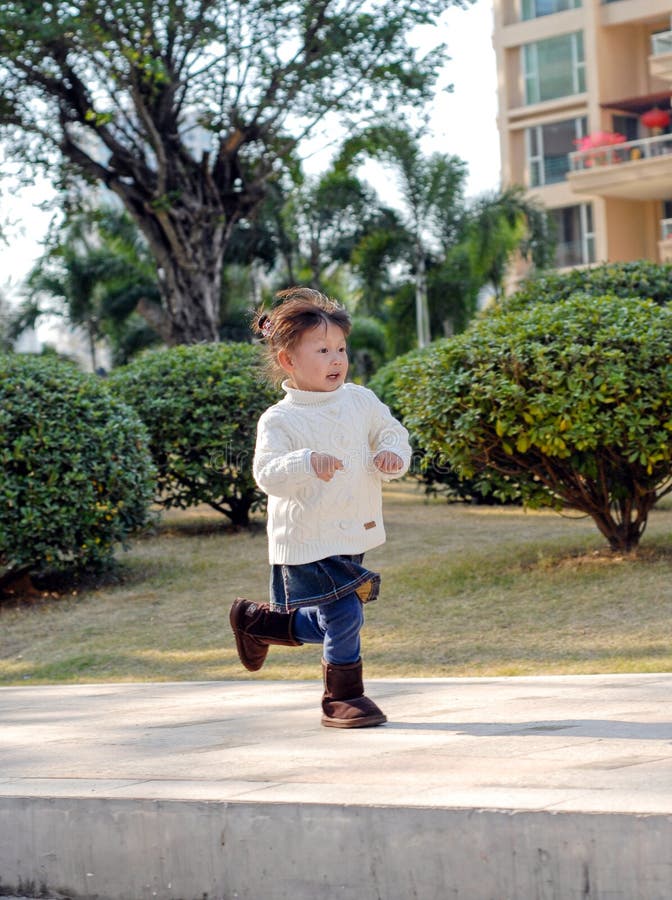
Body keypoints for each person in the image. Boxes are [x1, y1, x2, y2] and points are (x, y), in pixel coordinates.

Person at [229, 286, 411, 728]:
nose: (337, 359)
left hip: (352, 529)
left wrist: (392, 455)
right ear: (288, 360)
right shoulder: (280, 419)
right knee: (345, 613)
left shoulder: (360, 400)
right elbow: (267, 473)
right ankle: (343, 699)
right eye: (323, 350)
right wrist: (306, 462)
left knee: (344, 615)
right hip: (307, 536)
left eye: (341, 349)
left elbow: (392, 432)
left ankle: (261, 623)